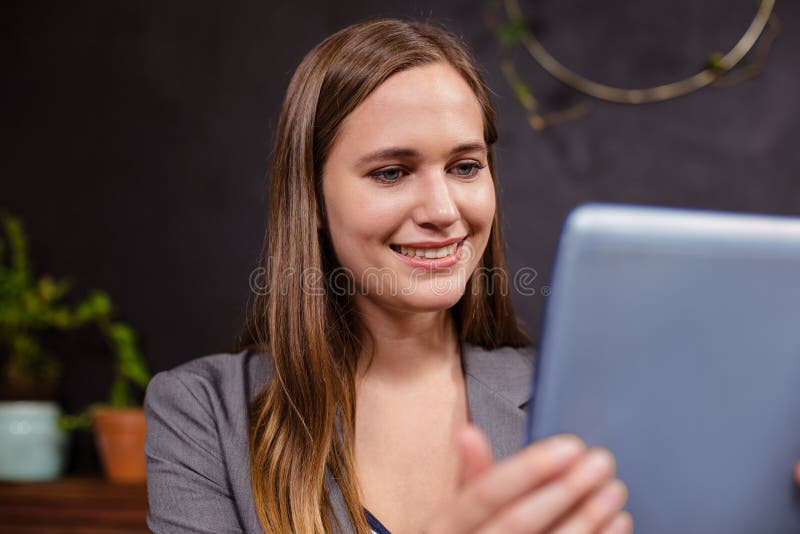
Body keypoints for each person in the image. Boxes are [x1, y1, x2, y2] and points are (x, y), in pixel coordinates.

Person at [144, 18, 800, 534]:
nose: (443, 210)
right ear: (312, 198)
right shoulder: (203, 413)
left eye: (465, 166)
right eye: (391, 172)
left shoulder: (584, 407)